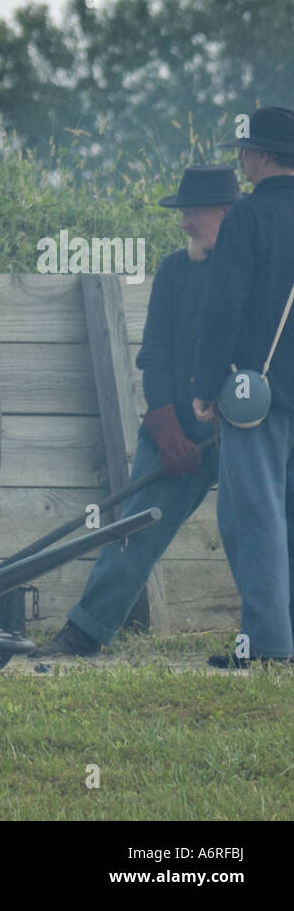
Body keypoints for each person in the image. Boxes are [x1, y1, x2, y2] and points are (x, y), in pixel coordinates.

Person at [34, 165, 239, 657]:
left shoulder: (254, 268)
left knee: (258, 532)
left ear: (224, 212)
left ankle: (275, 638)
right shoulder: (173, 270)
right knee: (133, 531)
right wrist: (165, 422)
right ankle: (85, 631)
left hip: (243, 428)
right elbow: (156, 352)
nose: (185, 223)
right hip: (182, 426)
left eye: (192, 212)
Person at [193, 107, 294, 668]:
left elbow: (224, 308)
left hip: (259, 397)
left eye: (246, 150)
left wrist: (206, 385)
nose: (241, 158)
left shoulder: (248, 218)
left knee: (254, 516)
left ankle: (268, 644)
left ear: (263, 156)